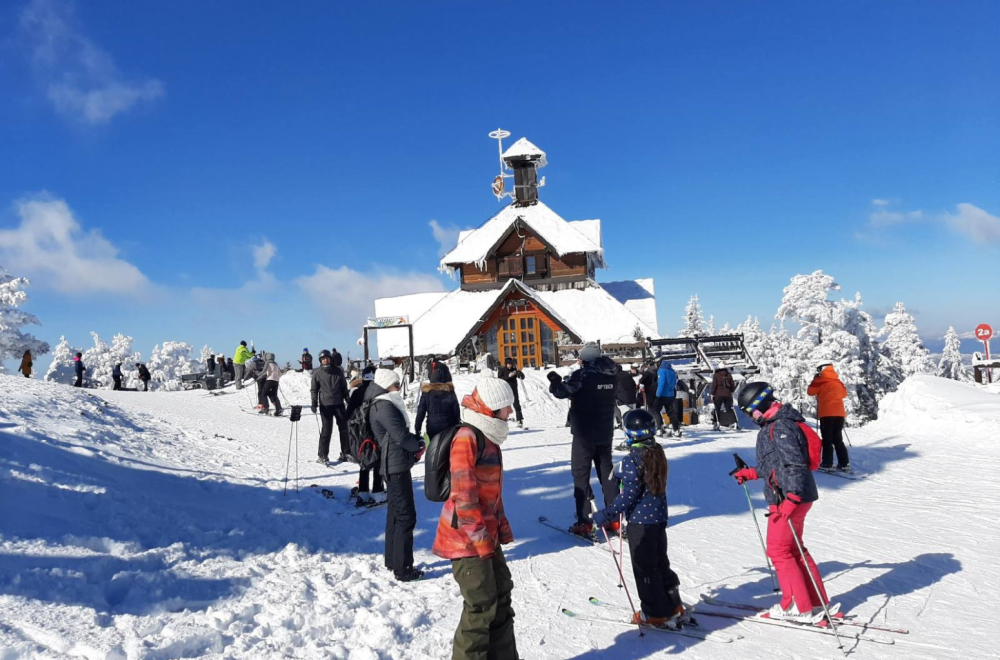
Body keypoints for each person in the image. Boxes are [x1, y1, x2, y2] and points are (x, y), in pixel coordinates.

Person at [432, 375, 519, 660]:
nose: (510, 412)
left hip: (485, 535)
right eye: (506, 407)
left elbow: (490, 494)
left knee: (502, 598)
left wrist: (501, 529)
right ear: (491, 408)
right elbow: (464, 498)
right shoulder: (467, 438)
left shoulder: (488, 435)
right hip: (467, 539)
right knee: (480, 608)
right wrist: (483, 542)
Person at [731, 382, 832, 622]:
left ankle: (796, 605)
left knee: (779, 551)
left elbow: (795, 464)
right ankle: (815, 602)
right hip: (793, 494)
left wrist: (792, 498)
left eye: (749, 412)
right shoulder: (776, 425)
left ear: (759, 405)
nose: (750, 417)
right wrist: (751, 473)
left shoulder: (780, 427)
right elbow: (776, 465)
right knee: (794, 551)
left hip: (790, 497)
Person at [593, 409, 688, 628]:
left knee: (645, 567)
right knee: (660, 561)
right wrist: (622, 475)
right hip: (658, 517)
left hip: (641, 521)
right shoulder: (656, 451)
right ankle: (673, 604)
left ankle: (655, 613)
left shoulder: (632, 459)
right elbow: (644, 478)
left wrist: (606, 514)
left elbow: (628, 496)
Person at [548, 341, 619, 536]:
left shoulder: (583, 376)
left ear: (585, 359)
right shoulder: (612, 375)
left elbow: (562, 392)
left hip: (584, 434)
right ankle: (615, 519)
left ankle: (584, 522)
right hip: (605, 432)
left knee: (581, 474)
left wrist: (554, 380)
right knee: (607, 474)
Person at [365, 368, 425, 582]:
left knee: (395, 515)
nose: (398, 387)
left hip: (395, 464)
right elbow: (399, 435)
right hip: (395, 466)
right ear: (386, 385)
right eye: (395, 384)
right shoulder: (384, 405)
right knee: (406, 516)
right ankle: (404, 569)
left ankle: (393, 560)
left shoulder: (382, 403)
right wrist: (418, 443)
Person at [346, 370, 384, 506]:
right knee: (378, 459)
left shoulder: (357, 392)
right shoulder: (379, 391)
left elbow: (347, 415)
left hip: (359, 432)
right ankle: (378, 491)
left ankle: (363, 492)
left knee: (364, 460)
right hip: (376, 431)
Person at [807, 363, 851, 472]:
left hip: (827, 413)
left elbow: (810, 392)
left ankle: (827, 464)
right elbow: (844, 394)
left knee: (827, 439)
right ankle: (844, 463)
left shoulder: (820, 380)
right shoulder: (838, 381)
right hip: (839, 413)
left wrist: (815, 379)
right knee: (838, 439)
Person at [311, 349, 348, 464]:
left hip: (339, 404)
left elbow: (343, 387)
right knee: (327, 430)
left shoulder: (338, 371)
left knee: (344, 429)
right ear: (320, 361)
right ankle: (322, 455)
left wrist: (348, 399)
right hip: (325, 405)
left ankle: (346, 453)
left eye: (327, 358)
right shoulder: (317, 373)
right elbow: (314, 389)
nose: (325, 360)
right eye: (323, 359)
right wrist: (314, 402)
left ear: (330, 359)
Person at [415, 360, 461, 439]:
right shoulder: (450, 392)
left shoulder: (427, 393)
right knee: (447, 448)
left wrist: (417, 428)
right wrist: (457, 424)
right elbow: (456, 410)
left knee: (434, 448)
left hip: (432, 427)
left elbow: (421, 412)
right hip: (449, 427)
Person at [653, 360, 680, 437]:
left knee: (655, 410)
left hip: (662, 395)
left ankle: (659, 427)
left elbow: (661, 384)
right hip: (670, 394)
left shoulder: (661, 371)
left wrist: (658, 395)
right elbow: (675, 382)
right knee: (670, 412)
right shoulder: (672, 371)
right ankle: (676, 428)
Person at [496, 357, 526, 428]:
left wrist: (520, 373)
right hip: (505, 390)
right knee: (502, 406)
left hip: (514, 390)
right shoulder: (502, 370)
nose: (510, 365)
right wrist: (508, 376)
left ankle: (519, 420)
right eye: (508, 364)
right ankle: (500, 421)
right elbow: (499, 379)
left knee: (517, 405)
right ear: (506, 364)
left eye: (511, 364)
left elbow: (522, 377)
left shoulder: (514, 370)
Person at [711, 363, 737, 431]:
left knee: (717, 409)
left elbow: (714, 385)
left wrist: (712, 394)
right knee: (729, 408)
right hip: (727, 394)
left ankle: (717, 422)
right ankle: (732, 422)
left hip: (718, 394)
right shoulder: (729, 374)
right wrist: (731, 391)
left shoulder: (716, 375)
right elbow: (732, 384)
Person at [614, 362, 638, 428]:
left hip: (621, 399)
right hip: (632, 397)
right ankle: (635, 425)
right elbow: (634, 384)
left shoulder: (614, 376)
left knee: (625, 414)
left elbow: (614, 387)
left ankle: (627, 427)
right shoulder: (627, 374)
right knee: (632, 413)